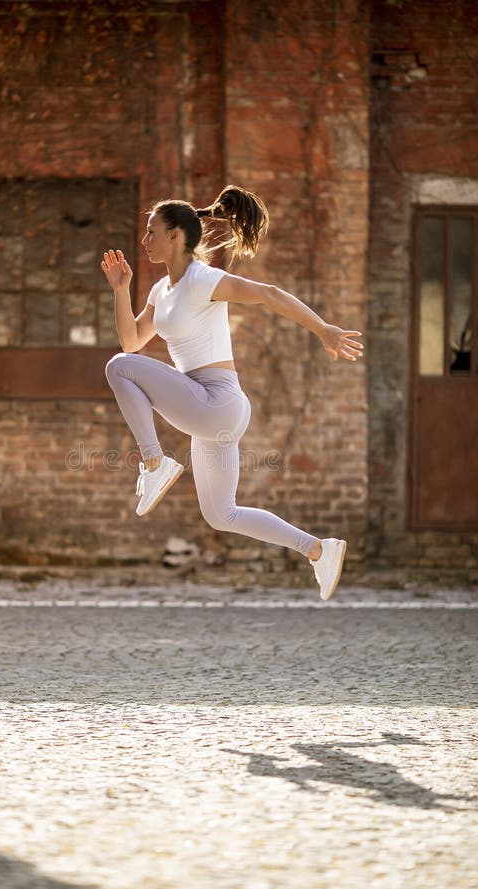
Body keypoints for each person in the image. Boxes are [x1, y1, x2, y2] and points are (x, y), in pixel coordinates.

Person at [101, 185, 364, 600]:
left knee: (118, 370)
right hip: (214, 414)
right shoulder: (159, 292)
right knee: (221, 514)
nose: (143, 240)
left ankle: (155, 464)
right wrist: (120, 289)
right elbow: (132, 341)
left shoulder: (203, 279)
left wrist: (324, 329)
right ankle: (319, 550)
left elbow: (269, 295)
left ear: (175, 236)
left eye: (151, 231)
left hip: (215, 401)